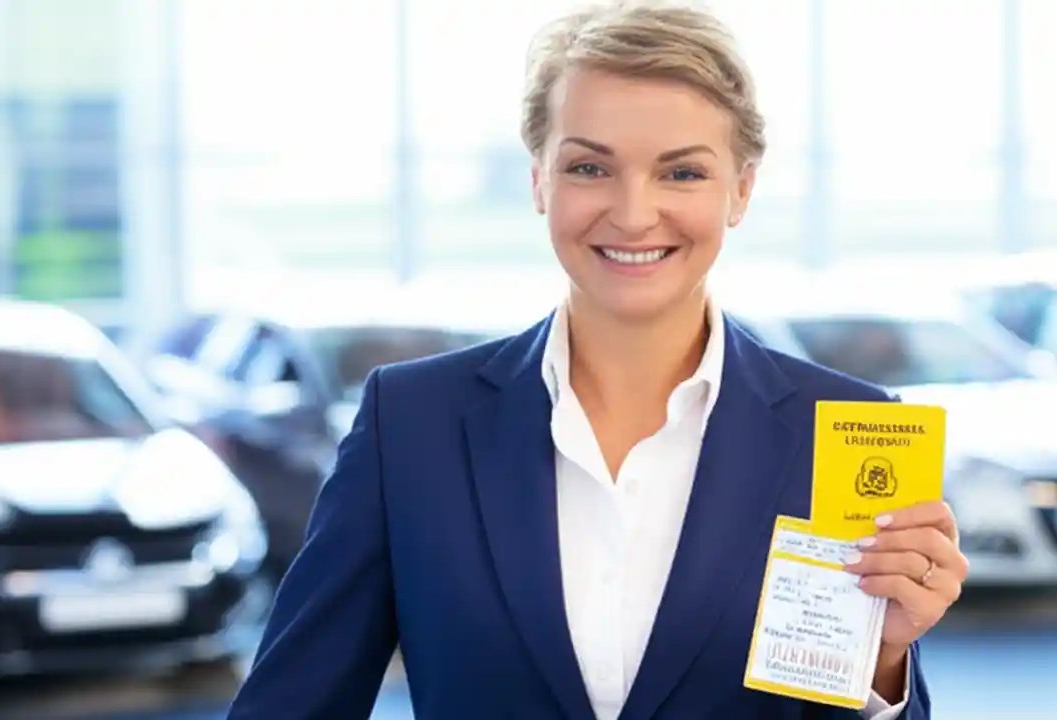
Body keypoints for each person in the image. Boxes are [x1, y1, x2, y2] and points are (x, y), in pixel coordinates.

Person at [226, 2, 967, 718]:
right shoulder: (412, 427)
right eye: (589, 168)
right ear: (539, 180)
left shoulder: (840, 429)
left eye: (682, 173)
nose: (634, 212)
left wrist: (881, 661)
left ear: (741, 189)